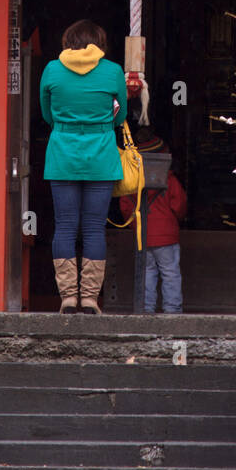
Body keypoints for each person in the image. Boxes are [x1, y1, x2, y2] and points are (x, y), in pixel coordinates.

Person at [40, 19, 127, 313]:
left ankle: (67, 297)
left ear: (67, 40)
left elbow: (46, 113)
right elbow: (120, 115)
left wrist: (66, 127)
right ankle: (90, 298)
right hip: (101, 155)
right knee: (93, 229)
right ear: (99, 43)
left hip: (62, 154)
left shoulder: (52, 69)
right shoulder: (113, 71)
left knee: (64, 226)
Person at [119, 132, 187, 314]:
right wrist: (176, 221)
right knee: (170, 272)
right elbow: (179, 205)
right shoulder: (170, 180)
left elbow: (125, 207)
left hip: (142, 234)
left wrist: (134, 225)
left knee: (147, 272)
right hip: (167, 236)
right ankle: (172, 309)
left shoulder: (131, 182)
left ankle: (146, 308)